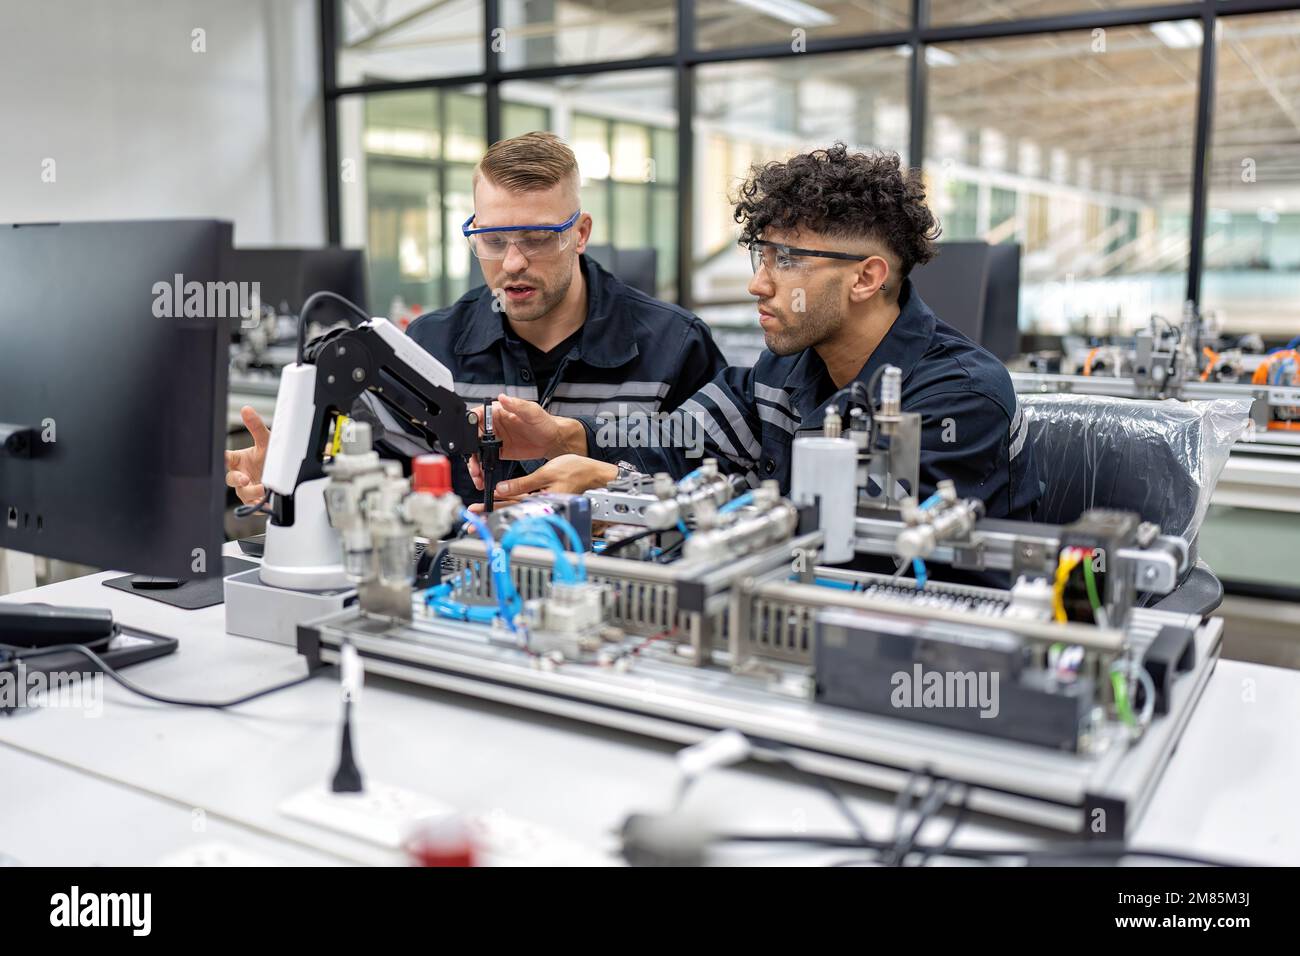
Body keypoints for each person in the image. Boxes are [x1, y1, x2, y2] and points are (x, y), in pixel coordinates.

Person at [471, 144, 1041, 526]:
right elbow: (675, 439)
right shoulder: (783, 370)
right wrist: (566, 438)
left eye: (786, 260)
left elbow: (851, 542)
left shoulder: (958, 397)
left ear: (866, 277)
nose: (758, 285)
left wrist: (624, 489)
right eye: (760, 256)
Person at [226, 131, 726, 506]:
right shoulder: (429, 345)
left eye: (537, 238)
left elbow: (720, 488)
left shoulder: (674, 346)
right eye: (492, 240)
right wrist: (291, 477)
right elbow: (372, 473)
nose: (512, 263)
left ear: (581, 233)